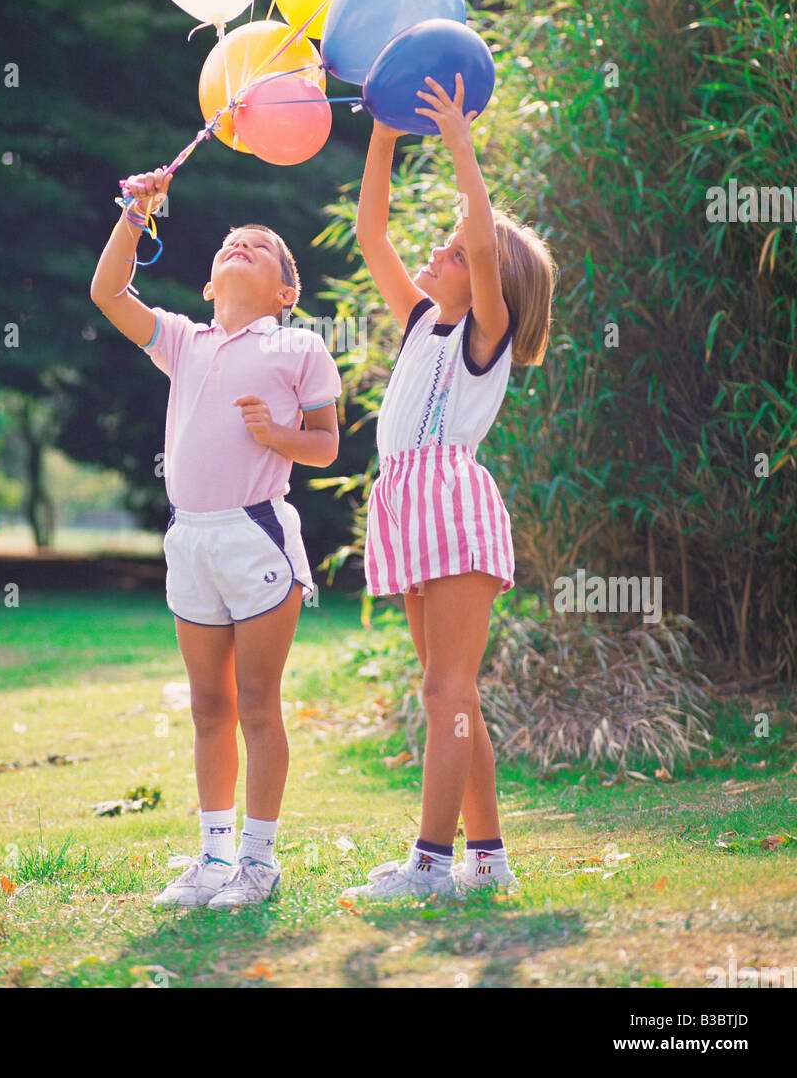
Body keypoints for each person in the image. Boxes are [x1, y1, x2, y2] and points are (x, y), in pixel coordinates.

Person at [90, 167, 341, 907]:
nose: (239, 247)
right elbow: (107, 293)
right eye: (231, 244)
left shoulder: (298, 347)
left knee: (258, 702)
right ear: (206, 284)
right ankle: (211, 858)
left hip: (257, 539)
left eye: (258, 247)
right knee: (208, 708)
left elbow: (326, 447)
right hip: (189, 542)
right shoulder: (182, 340)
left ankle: (258, 865)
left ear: (285, 292)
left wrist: (279, 433)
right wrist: (137, 212)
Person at [342, 74, 556, 900]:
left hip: (450, 505)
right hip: (401, 502)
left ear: (483, 275)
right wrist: (386, 129)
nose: (439, 250)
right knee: (448, 692)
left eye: (455, 250)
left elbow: (477, 230)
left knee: (445, 689)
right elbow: (369, 233)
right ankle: (487, 860)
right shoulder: (421, 321)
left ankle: (430, 866)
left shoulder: (483, 331)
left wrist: (459, 144)